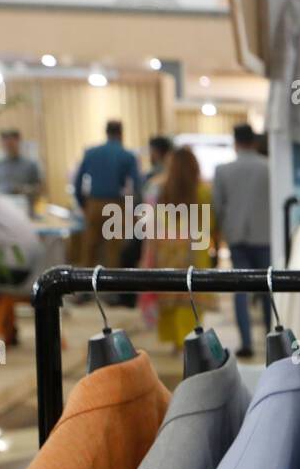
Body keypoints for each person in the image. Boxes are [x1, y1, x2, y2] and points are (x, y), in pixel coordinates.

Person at [143, 147, 213, 351]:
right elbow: (211, 223)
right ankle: (190, 340)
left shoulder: (157, 189)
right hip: (194, 251)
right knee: (192, 298)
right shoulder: (203, 192)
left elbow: (149, 222)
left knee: (170, 297)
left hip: (166, 251)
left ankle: (176, 342)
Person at [213, 124, 272, 358]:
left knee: (241, 289)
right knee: (267, 287)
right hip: (265, 235)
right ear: (255, 142)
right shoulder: (269, 168)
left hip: (237, 236)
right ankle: (271, 338)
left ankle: (246, 342)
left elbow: (218, 206)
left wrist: (222, 232)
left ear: (235, 142)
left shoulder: (223, 170)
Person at [72, 120, 140, 268]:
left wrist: (83, 205)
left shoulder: (91, 153)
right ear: (121, 134)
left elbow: (77, 182)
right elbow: (137, 185)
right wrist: (135, 210)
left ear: (106, 132)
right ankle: (111, 287)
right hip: (115, 206)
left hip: (93, 204)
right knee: (113, 251)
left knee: (89, 249)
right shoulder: (127, 156)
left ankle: (85, 286)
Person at [0, 130, 42, 209]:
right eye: (5, 143)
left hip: (22, 206)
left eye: (11, 143)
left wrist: (25, 189)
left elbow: (39, 188)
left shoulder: (30, 164)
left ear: (18, 141)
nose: (8, 146)